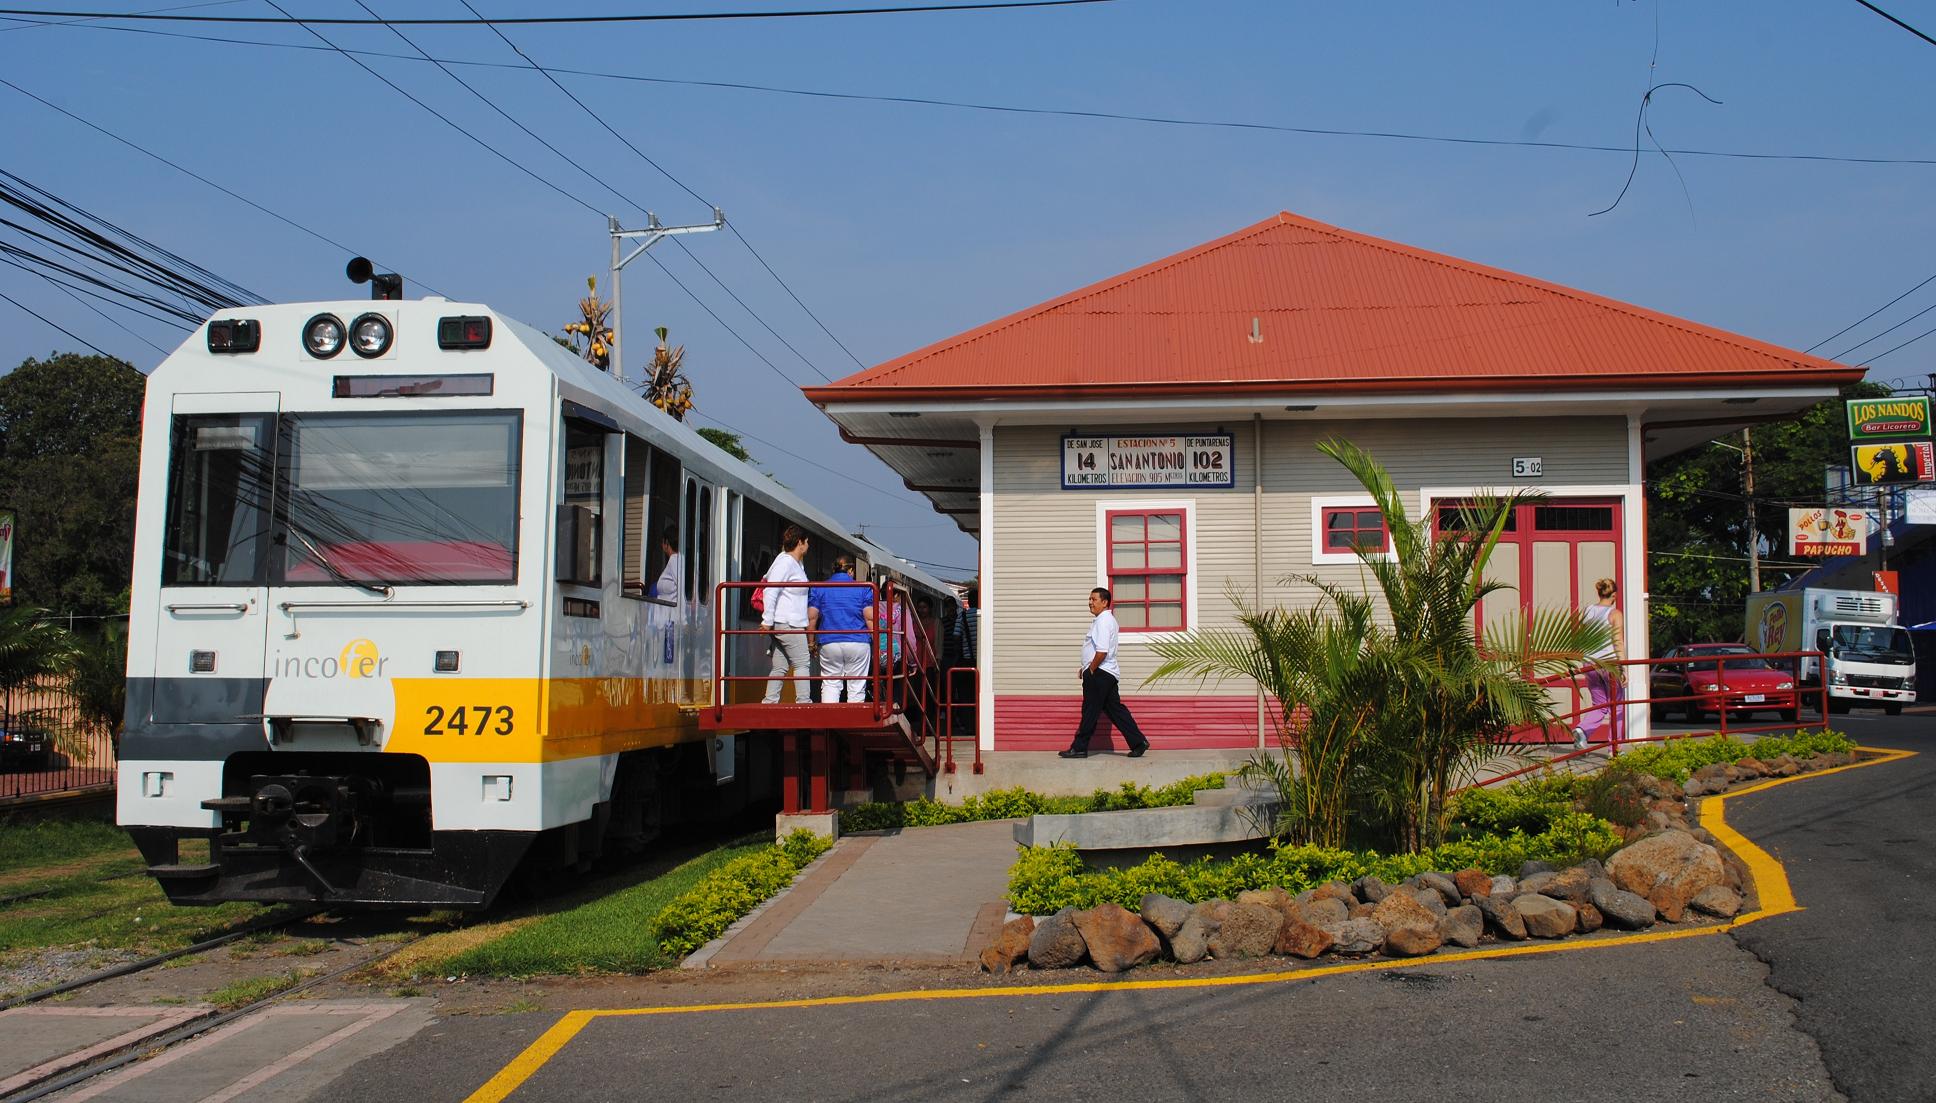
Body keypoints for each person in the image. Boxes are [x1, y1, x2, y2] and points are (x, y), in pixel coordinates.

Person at [1060, 587, 1151, 759]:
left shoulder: (1103, 621)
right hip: (1106, 672)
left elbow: (1101, 651)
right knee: (1116, 711)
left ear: (1104, 602)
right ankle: (1138, 742)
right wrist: (1085, 667)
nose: (1090, 602)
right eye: (1089, 599)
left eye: (1094, 599)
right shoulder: (1107, 620)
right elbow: (1097, 649)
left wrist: (1091, 669)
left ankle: (1079, 748)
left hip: (1100, 673)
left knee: (1090, 710)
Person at [807, 555, 871, 703]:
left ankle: (829, 722)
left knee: (830, 684)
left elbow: (812, 618)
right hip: (858, 642)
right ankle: (854, 723)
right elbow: (869, 618)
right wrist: (879, 642)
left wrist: (811, 643)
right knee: (856, 686)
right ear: (851, 570)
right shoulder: (864, 588)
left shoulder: (819, 588)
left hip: (829, 642)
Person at [760, 524, 812, 704]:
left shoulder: (793, 562)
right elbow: (770, 590)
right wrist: (767, 620)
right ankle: (804, 702)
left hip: (784, 622)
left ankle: (769, 701)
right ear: (800, 543)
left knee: (780, 666)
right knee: (802, 662)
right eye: (806, 542)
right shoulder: (786, 562)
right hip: (788, 622)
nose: (808, 545)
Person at [1574, 577, 1624, 749]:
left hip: (1590, 664)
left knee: (1600, 704)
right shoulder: (1614, 614)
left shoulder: (1588, 611)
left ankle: (1582, 730)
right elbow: (1617, 641)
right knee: (1616, 706)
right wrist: (1623, 666)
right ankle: (1614, 748)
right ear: (1614, 595)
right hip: (1608, 664)